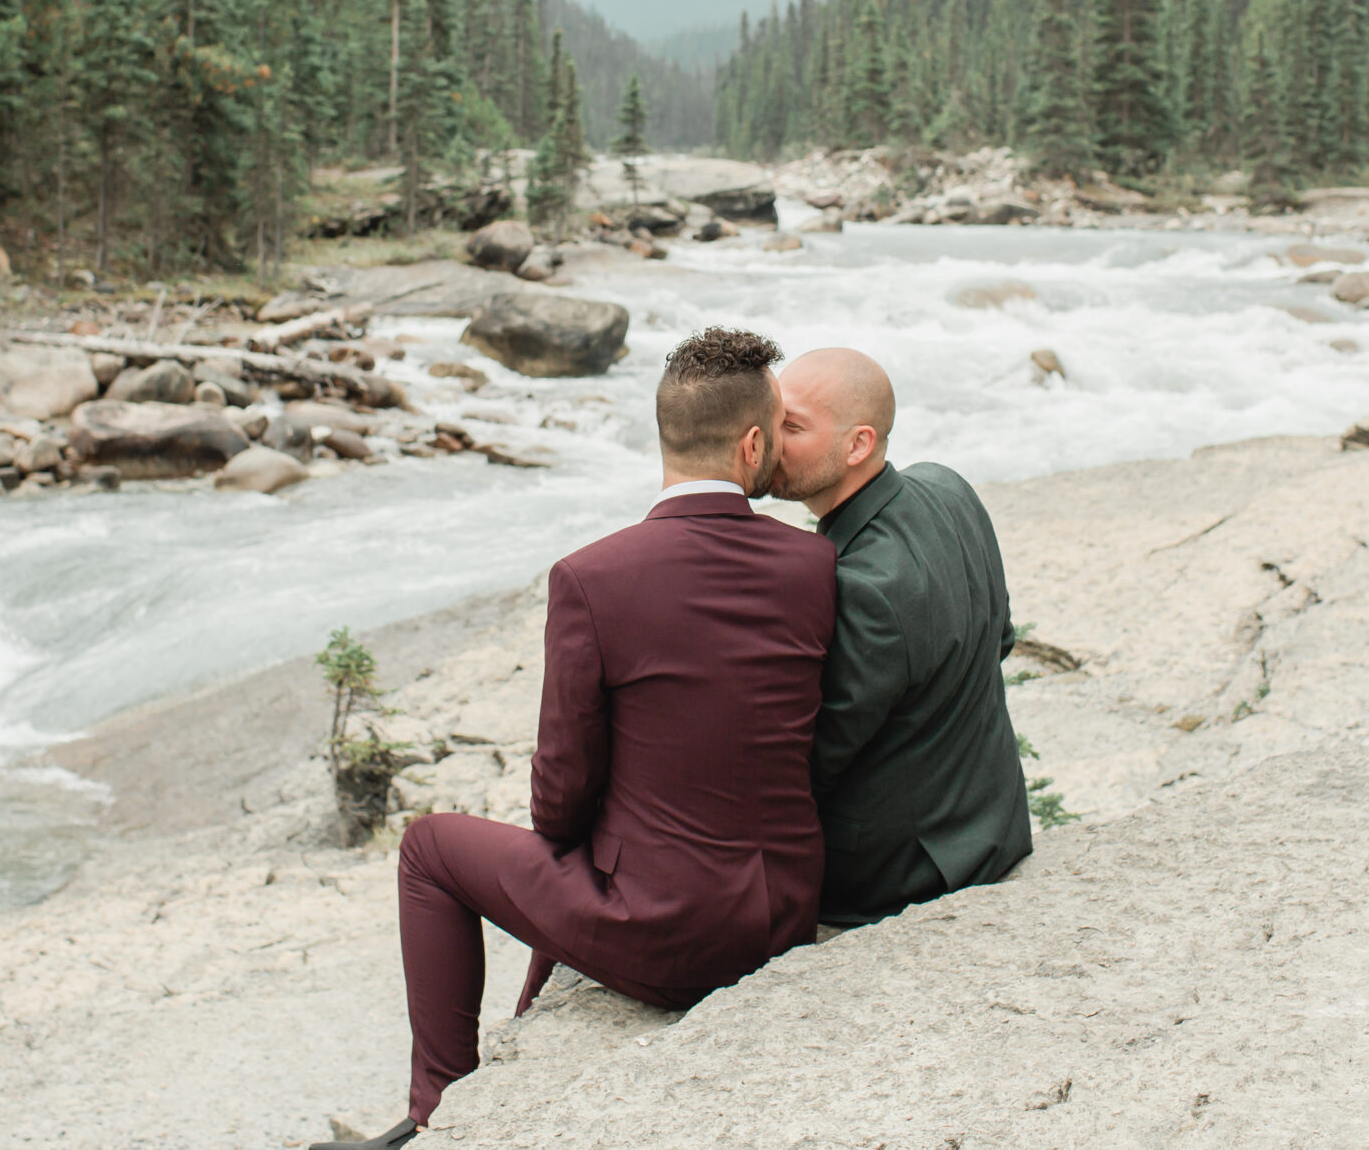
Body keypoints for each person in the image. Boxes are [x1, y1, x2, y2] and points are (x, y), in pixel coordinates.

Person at [314, 327, 835, 1149]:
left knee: (427, 848)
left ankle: (436, 1110)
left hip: (673, 938)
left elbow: (558, 800)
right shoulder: (811, 566)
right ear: (752, 445)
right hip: (787, 910)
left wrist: (586, 840)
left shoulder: (592, 577)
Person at [770, 346, 1032, 929]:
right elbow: (1001, 640)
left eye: (792, 426)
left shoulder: (860, 585)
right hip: (997, 822)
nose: (769, 438)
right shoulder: (948, 487)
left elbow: (811, 763)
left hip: (899, 876)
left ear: (858, 445)